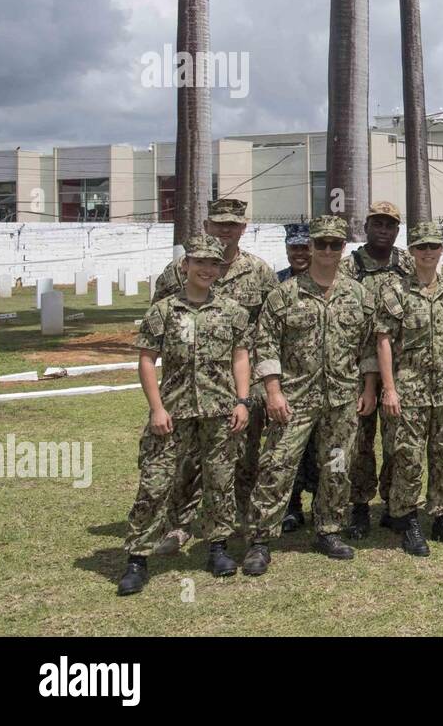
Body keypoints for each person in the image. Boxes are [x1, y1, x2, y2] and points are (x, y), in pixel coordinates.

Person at [241, 216, 379, 577]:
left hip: (341, 399)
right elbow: (265, 343)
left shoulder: (358, 295)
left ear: (343, 248)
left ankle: (328, 529)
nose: (328, 250)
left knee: (336, 466)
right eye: (322, 244)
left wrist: (367, 388)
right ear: (312, 247)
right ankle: (260, 539)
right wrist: (272, 391)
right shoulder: (284, 295)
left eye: (336, 244)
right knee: (277, 466)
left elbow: (367, 347)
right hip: (294, 399)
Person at [117, 235, 252, 596]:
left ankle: (217, 548)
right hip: (173, 411)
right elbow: (147, 359)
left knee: (220, 481)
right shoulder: (163, 311)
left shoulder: (232, 311)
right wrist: (157, 407)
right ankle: (137, 558)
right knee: (156, 483)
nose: (208, 270)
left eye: (214, 264)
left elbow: (241, 356)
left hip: (220, 410)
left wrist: (242, 401)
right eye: (200, 263)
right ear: (185, 266)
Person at [149, 197, 277, 555]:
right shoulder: (177, 271)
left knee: (243, 454)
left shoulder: (259, 271)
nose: (225, 230)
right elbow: (158, 323)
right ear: (206, 226)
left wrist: (264, 384)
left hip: (240, 382)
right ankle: (180, 524)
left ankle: (237, 517)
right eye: (219, 223)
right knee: (185, 456)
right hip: (188, 383)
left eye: (232, 224)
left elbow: (268, 329)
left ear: (243, 228)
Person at [375, 221, 443, 556]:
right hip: (410, 390)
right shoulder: (396, 292)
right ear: (412, 252)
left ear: (442, 250)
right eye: (421, 247)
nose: (428, 253)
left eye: (433, 247)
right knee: (407, 456)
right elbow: (383, 341)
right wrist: (389, 389)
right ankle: (408, 520)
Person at [342, 201, 414, 539]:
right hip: (355, 371)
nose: (384, 230)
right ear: (366, 227)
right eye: (378, 224)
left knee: (396, 441)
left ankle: (392, 504)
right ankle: (358, 507)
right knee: (359, 442)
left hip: (401, 371)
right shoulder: (349, 268)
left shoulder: (409, 264)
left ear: (397, 230)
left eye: (390, 224)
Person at [276, 222, 319, 533]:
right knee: (288, 451)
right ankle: (291, 508)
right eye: (295, 247)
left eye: (306, 247)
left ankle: (324, 508)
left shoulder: (329, 282)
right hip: (289, 384)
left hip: (325, 385)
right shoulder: (277, 286)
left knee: (323, 450)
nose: (300, 253)